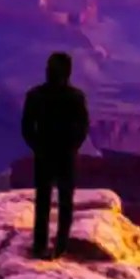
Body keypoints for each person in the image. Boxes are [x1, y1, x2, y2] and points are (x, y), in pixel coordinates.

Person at [20, 52, 90, 259]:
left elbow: (26, 127)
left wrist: (37, 146)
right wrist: (72, 147)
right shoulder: (76, 97)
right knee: (63, 201)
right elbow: (83, 127)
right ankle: (60, 246)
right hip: (64, 155)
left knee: (44, 201)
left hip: (46, 154)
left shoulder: (35, 95)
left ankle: (41, 245)